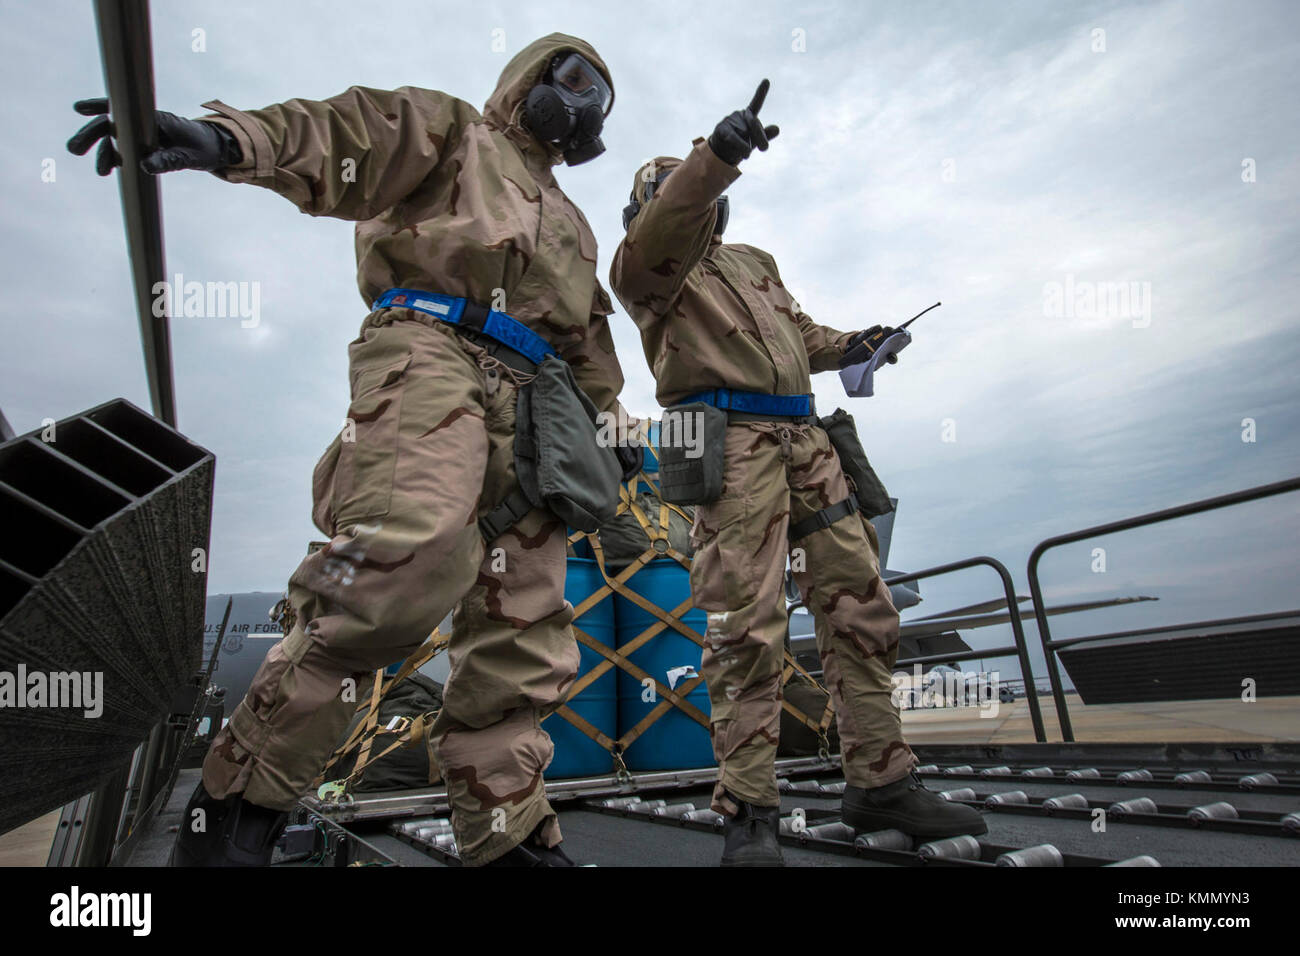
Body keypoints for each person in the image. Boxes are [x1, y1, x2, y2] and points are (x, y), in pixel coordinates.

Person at [70, 33, 640, 867]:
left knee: (524, 618)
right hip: (433, 347)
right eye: (576, 77)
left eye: (602, 95)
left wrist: (612, 428)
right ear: (531, 80)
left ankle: (506, 830)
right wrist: (230, 140)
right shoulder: (454, 134)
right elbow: (353, 136)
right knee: (400, 562)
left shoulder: (577, 226)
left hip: (543, 406)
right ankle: (239, 804)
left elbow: (589, 342)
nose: (586, 101)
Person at [609, 79, 985, 866]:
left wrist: (858, 344)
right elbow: (672, 219)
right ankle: (749, 807)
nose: (699, 200)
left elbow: (803, 334)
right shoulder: (645, 271)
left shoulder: (753, 262)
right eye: (676, 191)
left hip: (805, 439)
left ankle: (880, 779)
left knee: (862, 607)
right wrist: (715, 156)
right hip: (728, 443)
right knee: (744, 628)